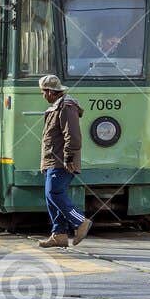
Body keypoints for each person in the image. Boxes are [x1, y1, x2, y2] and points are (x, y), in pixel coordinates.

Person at [38, 74, 92, 248]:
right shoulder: (57, 106)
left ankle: (81, 222)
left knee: (55, 193)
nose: (42, 96)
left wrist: (69, 157)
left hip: (62, 161)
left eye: (43, 92)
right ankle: (59, 235)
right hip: (52, 160)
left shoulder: (66, 107)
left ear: (50, 92)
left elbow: (73, 135)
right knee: (50, 196)